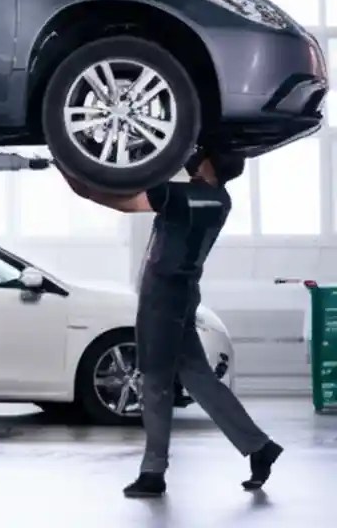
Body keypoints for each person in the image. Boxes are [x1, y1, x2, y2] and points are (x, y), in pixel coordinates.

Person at [58, 147, 283, 498]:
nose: (195, 155)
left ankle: (153, 472)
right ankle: (259, 447)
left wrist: (74, 173)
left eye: (202, 153)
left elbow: (122, 202)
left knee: (155, 382)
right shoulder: (220, 200)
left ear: (210, 163)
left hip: (162, 298)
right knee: (197, 377)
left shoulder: (181, 195)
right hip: (184, 293)